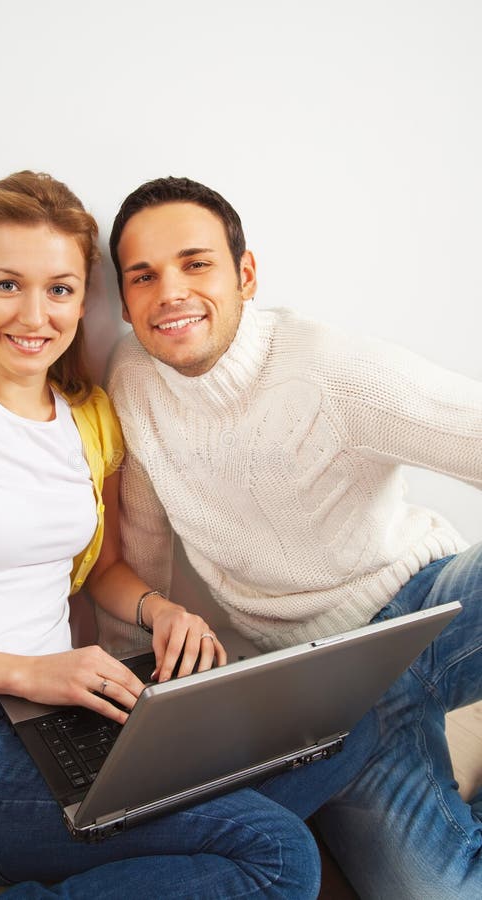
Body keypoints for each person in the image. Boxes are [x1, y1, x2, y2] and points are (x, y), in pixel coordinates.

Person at [0, 170, 328, 899]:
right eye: (6, 285)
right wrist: (28, 673)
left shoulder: (90, 419)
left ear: (83, 300)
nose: (35, 314)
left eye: (59, 288)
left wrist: (161, 610)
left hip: (62, 716)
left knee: (328, 740)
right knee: (279, 854)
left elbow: (103, 569)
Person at [102, 175, 482, 900]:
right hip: (312, 690)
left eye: (196, 263)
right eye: (144, 276)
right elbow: (142, 545)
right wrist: (140, 686)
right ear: (124, 302)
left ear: (246, 275)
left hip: (429, 612)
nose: (170, 292)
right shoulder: (131, 381)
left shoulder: (332, 370)